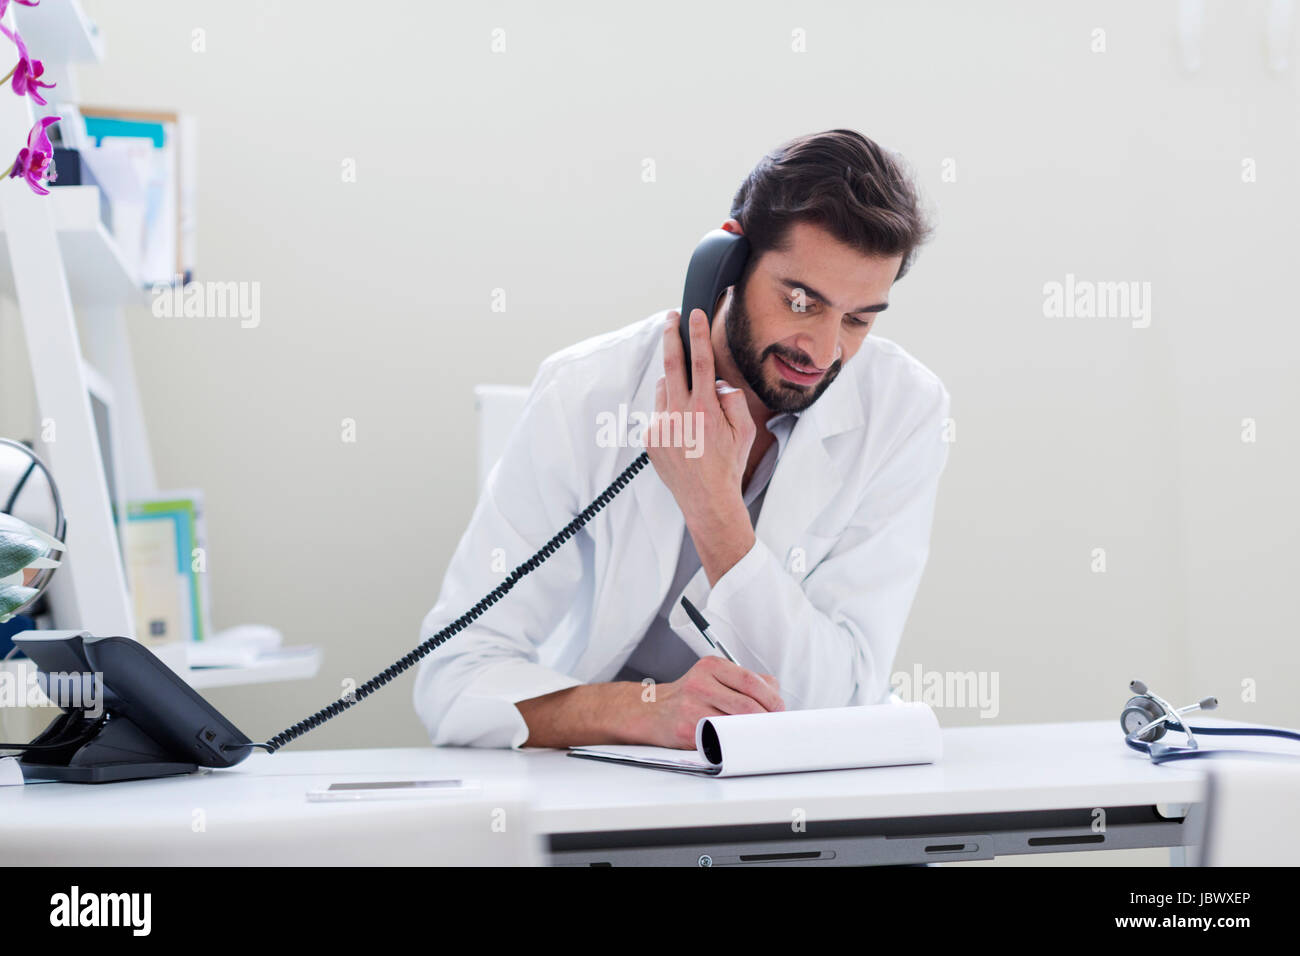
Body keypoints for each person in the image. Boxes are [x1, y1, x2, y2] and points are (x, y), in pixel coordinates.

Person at [414, 129, 950, 749]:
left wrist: (714, 511)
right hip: (603, 772)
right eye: (802, 303)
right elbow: (453, 678)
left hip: (787, 785)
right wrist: (645, 711)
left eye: (857, 320)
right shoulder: (585, 394)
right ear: (725, 264)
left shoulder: (904, 411)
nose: (826, 352)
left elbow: (846, 701)